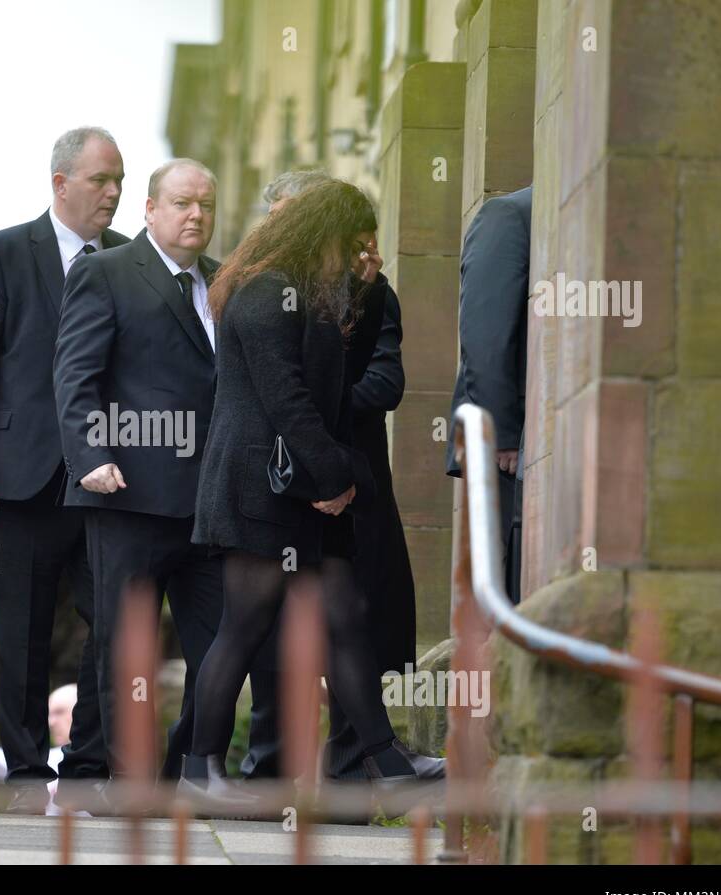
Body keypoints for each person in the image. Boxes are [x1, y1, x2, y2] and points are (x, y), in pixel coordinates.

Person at [185, 179, 443, 813]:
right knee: (243, 627)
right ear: (321, 234)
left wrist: (367, 289)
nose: (356, 254)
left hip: (297, 492)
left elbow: (342, 374)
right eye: (350, 244)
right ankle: (199, 769)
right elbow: (288, 401)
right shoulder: (265, 291)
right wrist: (335, 478)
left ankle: (386, 761)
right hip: (261, 492)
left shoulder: (307, 294)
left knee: (345, 616)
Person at [0, 127, 129, 813]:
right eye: (100, 180)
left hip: (105, 480)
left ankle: (85, 765)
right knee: (17, 635)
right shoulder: (1, 252)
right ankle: (25, 774)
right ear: (61, 183)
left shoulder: (128, 259)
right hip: (16, 478)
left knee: (113, 619)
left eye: (120, 181)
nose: (113, 193)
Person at [53, 159, 222, 805]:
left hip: (209, 501)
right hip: (127, 492)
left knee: (220, 643)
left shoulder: (225, 280)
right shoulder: (107, 271)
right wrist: (89, 455)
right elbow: (75, 374)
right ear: (150, 209)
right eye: (182, 202)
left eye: (206, 204)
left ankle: (189, 772)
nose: (196, 215)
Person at [240, 171, 418, 784]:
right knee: (263, 631)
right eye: (279, 217)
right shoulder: (263, 290)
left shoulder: (367, 292)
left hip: (345, 483)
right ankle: (264, 772)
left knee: (351, 620)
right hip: (280, 483)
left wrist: (321, 422)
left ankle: (357, 773)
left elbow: (383, 383)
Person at [445, 186, 532, 605]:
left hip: (537, 443)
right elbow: (484, 334)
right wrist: (502, 434)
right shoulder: (508, 215)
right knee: (502, 587)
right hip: (505, 450)